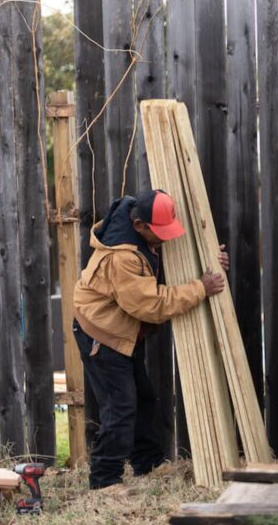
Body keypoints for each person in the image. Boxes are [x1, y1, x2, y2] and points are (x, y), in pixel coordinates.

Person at [72, 189, 227, 490]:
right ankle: (104, 480)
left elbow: (173, 261)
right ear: (140, 224)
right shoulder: (121, 258)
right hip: (102, 334)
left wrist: (212, 259)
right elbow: (151, 305)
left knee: (143, 400)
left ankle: (147, 466)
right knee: (121, 405)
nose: (165, 239)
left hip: (123, 329)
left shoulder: (143, 237)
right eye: (159, 233)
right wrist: (200, 288)